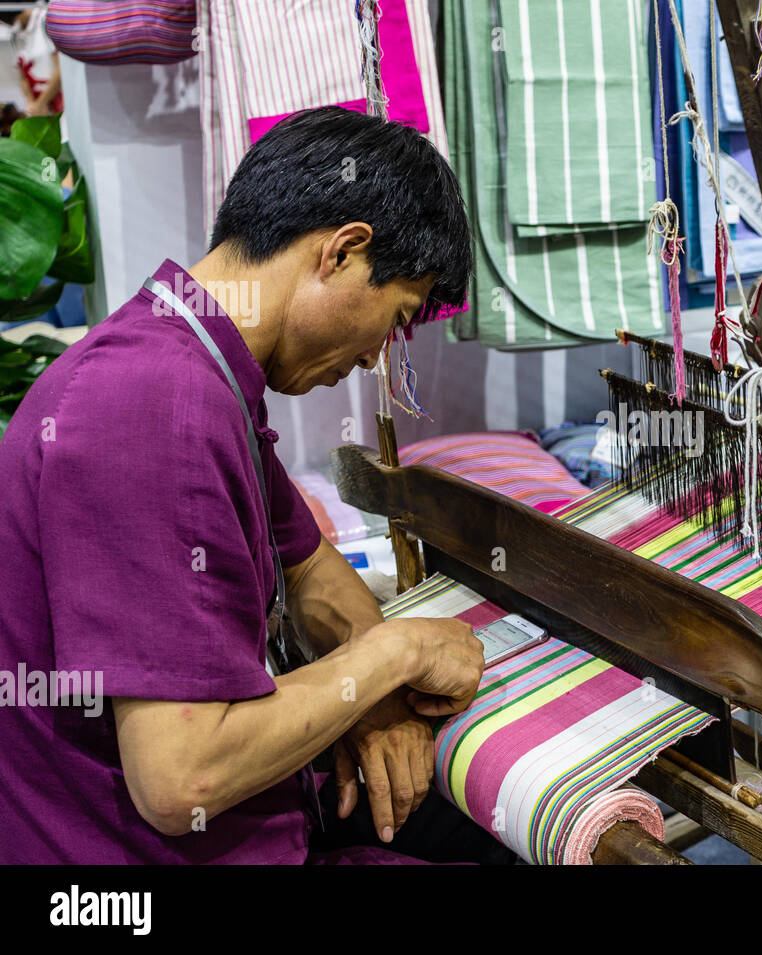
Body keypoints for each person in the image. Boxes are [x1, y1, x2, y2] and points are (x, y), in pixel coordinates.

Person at [0, 106, 511, 864]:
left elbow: (307, 566)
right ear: (342, 251)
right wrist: (391, 659)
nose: (378, 355)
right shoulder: (149, 409)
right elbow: (184, 780)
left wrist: (367, 705)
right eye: (395, 317)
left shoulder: (194, 364)